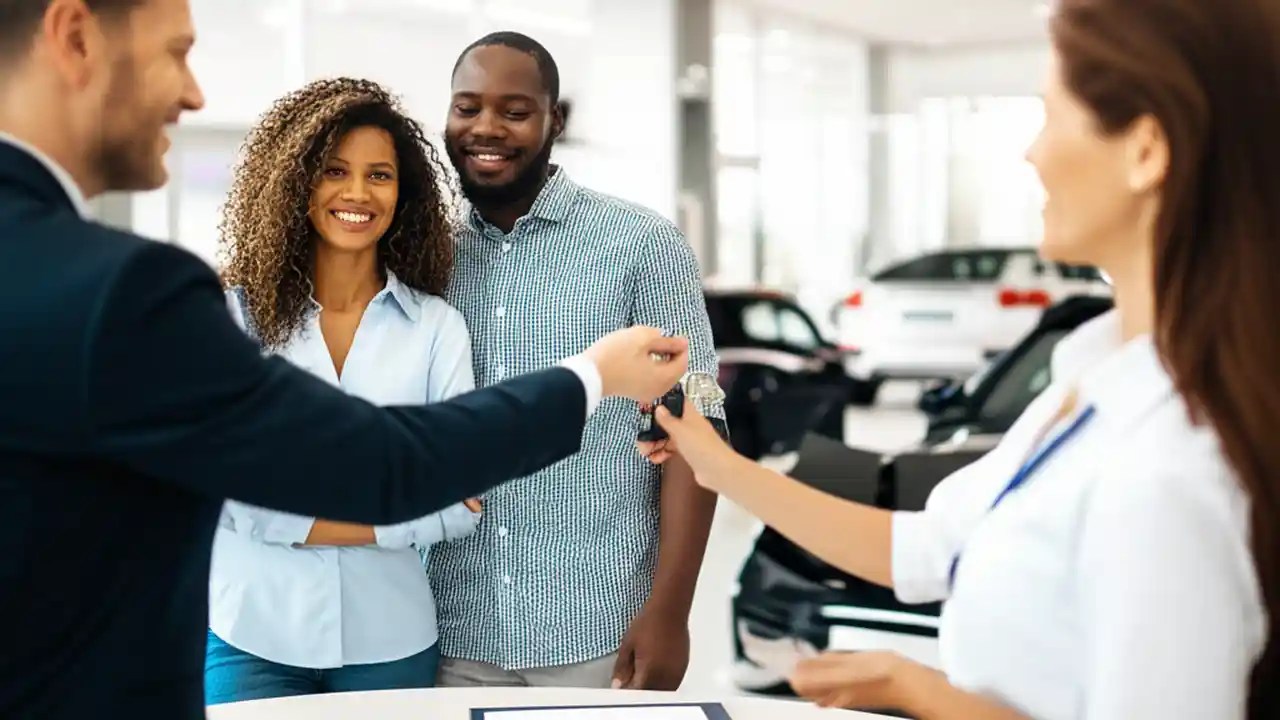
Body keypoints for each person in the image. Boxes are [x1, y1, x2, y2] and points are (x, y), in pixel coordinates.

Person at [0, 1, 689, 718]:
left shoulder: (456, 308)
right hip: (230, 639)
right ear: (75, 35)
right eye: (176, 53)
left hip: (416, 634)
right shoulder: (130, 292)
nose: (194, 93)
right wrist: (594, 375)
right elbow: (381, 466)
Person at [649, 0, 1280, 718]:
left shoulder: (1167, 472)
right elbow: (922, 549)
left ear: (1145, 150)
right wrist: (715, 461)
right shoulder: (1090, 381)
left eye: (1050, 115)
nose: (1031, 153)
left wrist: (921, 691)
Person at [428, 31, 726, 691]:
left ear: (554, 120)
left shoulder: (639, 245)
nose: (486, 128)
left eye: (514, 110)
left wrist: (670, 613)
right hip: (447, 626)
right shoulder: (424, 253)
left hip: (596, 631)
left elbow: (695, 429)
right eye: (467, 107)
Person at [202, 78, 485, 703]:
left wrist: (287, 508)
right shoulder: (232, 320)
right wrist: (394, 507)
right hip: (250, 634)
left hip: (389, 642)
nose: (358, 193)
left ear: (401, 193)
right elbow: (221, 494)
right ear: (297, 181)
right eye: (335, 170)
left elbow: (461, 508)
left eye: (379, 175)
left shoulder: (437, 329)